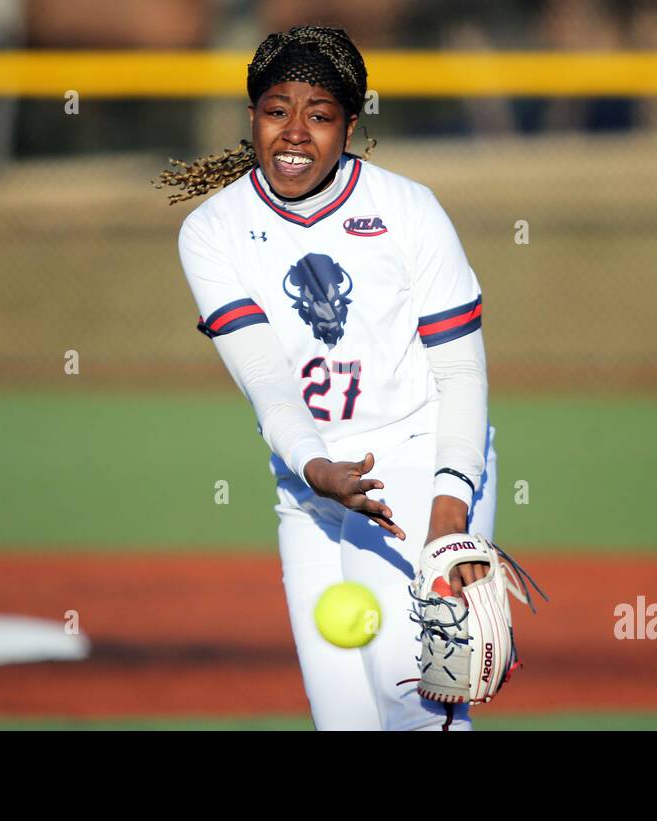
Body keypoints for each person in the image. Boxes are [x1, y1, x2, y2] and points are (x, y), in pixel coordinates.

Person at [161, 25, 495, 731]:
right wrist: (313, 468)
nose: (295, 131)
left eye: (320, 114)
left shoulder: (408, 209)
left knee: (416, 699)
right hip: (309, 488)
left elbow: (461, 369)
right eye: (277, 108)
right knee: (346, 721)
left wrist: (450, 505)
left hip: (420, 463)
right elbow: (266, 379)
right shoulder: (213, 230)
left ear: (350, 125)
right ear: (251, 115)